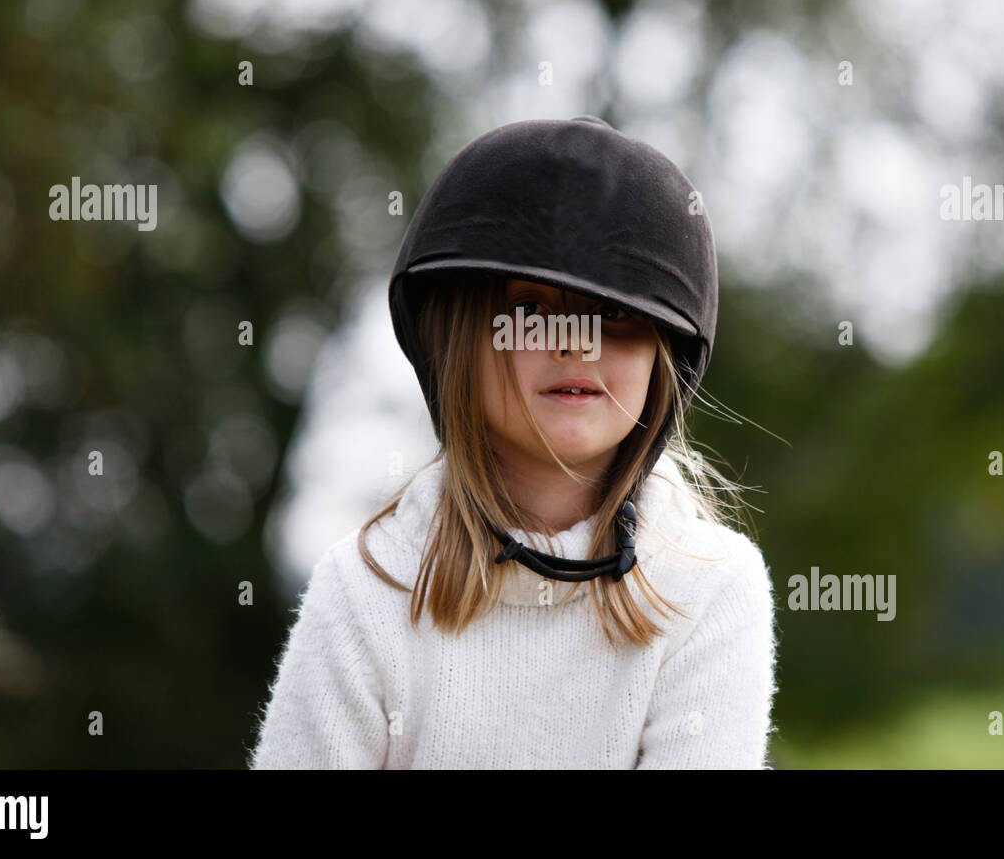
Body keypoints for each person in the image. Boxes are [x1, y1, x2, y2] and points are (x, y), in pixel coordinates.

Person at [248, 115, 777, 769]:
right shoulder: (365, 588)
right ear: (457, 340)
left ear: (663, 358)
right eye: (530, 310)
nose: (573, 342)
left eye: (613, 314)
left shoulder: (709, 589)